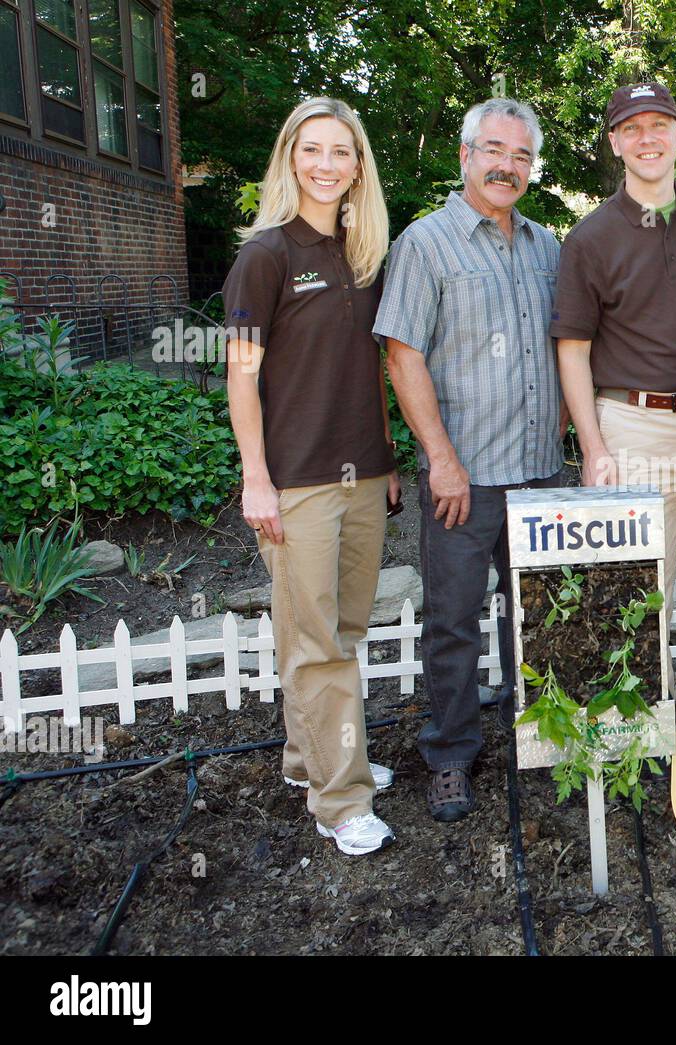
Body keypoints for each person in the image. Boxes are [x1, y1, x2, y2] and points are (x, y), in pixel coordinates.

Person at [375, 98, 564, 824]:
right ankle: (451, 754)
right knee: (452, 621)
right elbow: (402, 353)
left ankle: (539, 739)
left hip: (540, 469)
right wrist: (440, 459)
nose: (506, 165)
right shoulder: (426, 244)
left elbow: (566, 349)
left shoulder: (549, 247)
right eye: (493, 150)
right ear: (464, 157)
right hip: (464, 475)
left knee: (540, 616)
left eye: (520, 155)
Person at [224, 97, 399, 856]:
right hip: (296, 482)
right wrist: (254, 477)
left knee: (342, 632)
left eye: (341, 152)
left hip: (363, 474)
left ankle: (309, 758)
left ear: (359, 166)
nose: (326, 165)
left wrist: (388, 458)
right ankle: (341, 798)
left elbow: (375, 369)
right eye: (312, 150)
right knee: (316, 644)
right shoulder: (264, 256)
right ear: (289, 158)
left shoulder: (366, 257)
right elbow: (240, 377)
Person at [552, 82, 676, 727]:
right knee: (635, 585)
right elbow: (572, 352)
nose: (648, 138)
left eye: (660, 124)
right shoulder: (590, 238)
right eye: (633, 128)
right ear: (615, 143)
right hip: (632, 426)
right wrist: (595, 449)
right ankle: (632, 719)